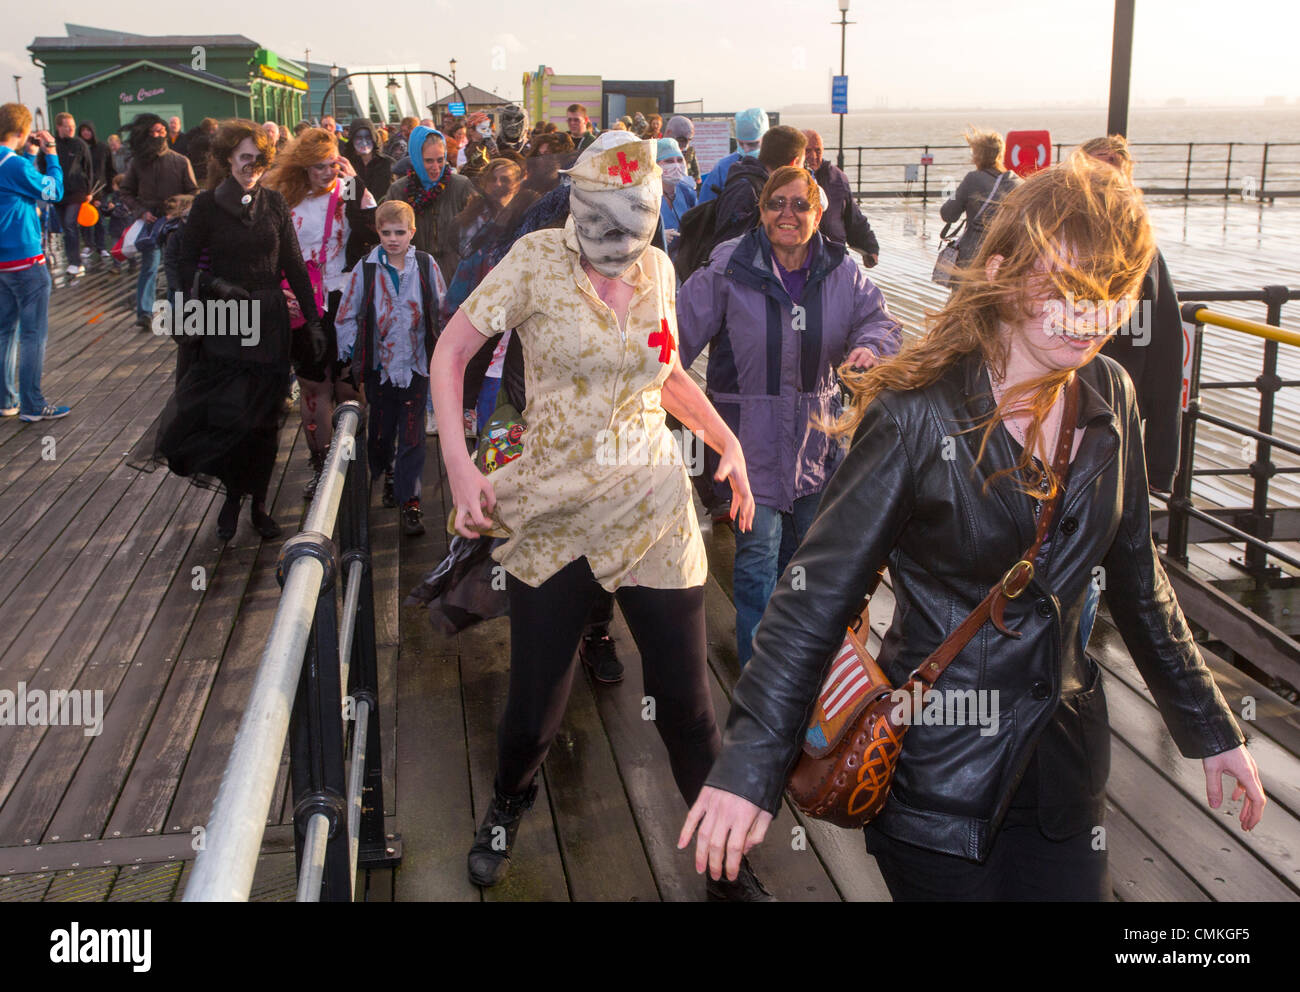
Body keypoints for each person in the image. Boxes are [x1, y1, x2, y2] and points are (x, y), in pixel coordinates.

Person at [679, 155, 1267, 900]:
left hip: (1064, 780)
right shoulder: (916, 416)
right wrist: (748, 769)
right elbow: (811, 602)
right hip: (941, 783)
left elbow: (1140, 586)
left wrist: (1213, 730)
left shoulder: (1110, 397)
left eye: (1111, 295)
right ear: (999, 270)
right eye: (1068, 288)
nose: (1090, 316)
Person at [430, 131, 772, 899]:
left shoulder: (658, 267)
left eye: (635, 225)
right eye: (606, 226)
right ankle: (507, 802)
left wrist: (728, 442)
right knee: (535, 707)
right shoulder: (533, 262)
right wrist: (457, 463)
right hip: (554, 512)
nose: (620, 244)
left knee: (688, 704)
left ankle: (724, 866)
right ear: (580, 208)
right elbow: (451, 353)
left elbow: (667, 372)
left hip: (653, 505)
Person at [678, 164, 902, 667]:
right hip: (746, 446)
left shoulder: (842, 270)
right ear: (761, 212)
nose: (788, 214)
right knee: (757, 561)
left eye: (801, 204)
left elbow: (881, 324)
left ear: (820, 213)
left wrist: (869, 348)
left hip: (817, 445)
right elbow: (672, 343)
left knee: (808, 560)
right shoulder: (728, 268)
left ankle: (802, 666)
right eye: (777, 203)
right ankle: (760, 681)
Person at [151, 118, 326, 542]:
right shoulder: (208, 206)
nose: (252, 166)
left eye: (259, 160)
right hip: (226, 321)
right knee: (231, 412)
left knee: (266, 417)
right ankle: (233, 496)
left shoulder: (276, 204)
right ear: (229, 157)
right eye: (244, 157)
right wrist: (218, 286)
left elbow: (294, 266)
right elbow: (186, 263)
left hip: (269, 321)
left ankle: (259, 504)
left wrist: (314, 321)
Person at [261, 127, 377, 500]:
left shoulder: (351, 192)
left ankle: (352, 465)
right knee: (313, 387)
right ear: (302, 168)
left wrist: (356, 186)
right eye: (318, 167)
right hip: (301, 301)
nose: (327, 173)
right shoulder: (284, 198)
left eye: (331, 164)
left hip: (344, 297)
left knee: (349, 386)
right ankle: (322, 467)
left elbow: (374, 232)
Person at [336, 199, 446, 535]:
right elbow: (347, 313)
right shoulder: (366, 268)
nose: (393, 239)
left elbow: (442, 309)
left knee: (412, 435)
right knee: (381, 434)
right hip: (380, 367)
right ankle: (385, 472)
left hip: (415, 366)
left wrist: (446, 352)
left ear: (412, 232)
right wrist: (352, 351)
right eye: (386, 232)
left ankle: (409, 501)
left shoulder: (426, 265)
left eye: (400, 232)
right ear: (377, 232)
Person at [1082, 135, 1185, 493]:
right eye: (1094, 169)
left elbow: (1166, 352)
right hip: (1052, 403)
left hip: (1115, 405)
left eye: (1111, 170)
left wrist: (1160, 463)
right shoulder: (1049, 242)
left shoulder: (1144, 252)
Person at [0, 103, 69, 422]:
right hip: (25, 259)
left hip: (2, 262)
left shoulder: (10, 164)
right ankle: (32, 403)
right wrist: (51, 154)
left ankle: (6, 399)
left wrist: (28, 156)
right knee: (32, 334)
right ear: (19, 131)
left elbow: (15, 190)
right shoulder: (12, 165)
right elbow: (52, 192)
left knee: (4, 331)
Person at [119, 113, 198, 328]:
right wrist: (141, 211)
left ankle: (176, 311)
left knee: (174, 267)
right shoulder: (137, 163)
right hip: (150, 220)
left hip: (174, 221)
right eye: (154, 131)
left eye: (162, 130)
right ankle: (144, 312)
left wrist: (177, 207)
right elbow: (125, 191)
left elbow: (194, 192)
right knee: (150, 266)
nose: (159, 134)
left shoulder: (180, 161)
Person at [382, 125, 474, 284]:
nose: (436, 167)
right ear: (416, 158)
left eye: (440, 160)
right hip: (414, 279)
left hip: (455, 277)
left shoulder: (461, 186)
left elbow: (479, 230)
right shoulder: (399, 190)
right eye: (428, 161)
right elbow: (386, 232)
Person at [712, 125, 806, 248]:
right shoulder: (747, 190)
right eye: (803, 165)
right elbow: (728, 247)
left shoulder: (751, 185)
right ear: (794, 163)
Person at [940, 127, 1020, 269]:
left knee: (964, 290)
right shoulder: (1017, 182)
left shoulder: (973, 179)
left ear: (978, 155)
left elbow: (948, 214)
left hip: (972, 256)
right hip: (1004, 258)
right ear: (1001, 154)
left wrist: (952, 192)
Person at [803, 129, 879, 267]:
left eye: (818, 151)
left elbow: (853, 217)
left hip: (837, 257)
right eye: (808, 151)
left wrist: (870, 247)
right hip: (806, 259)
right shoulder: (793, 179)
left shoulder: (837, 177)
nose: (813, 156)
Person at [50, 113, 93, 276]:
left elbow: (88, 168)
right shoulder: (51, 144)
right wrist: (47, 194)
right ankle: (71, 260)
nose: (71, 129)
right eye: (67, 126)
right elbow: (43, 165)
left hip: (77, 192)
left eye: (73, 126)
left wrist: (88, 191)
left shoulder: (80, 144)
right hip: (58, 193)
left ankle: (76, 261)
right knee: (65, 228)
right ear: (59, 127)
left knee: (70, 224)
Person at [697, 108, 768, 205]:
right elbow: (704, 208)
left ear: (766, 138)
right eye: (741, 144)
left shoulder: (774, 165)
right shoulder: (723, 167)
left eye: (753, 144)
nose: (746, 150)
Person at [78, 120, 115, 259]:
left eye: (88, 130)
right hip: (82, 189)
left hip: (100, 188)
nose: (86, 133)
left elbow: (110, 168)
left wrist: (110, 189)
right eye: (83, 130)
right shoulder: (78, 147)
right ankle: (88, 245)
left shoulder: (103, 147)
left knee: (99, 219)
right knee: (84, 218)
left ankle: (101, 246)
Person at [655, 137, 696, 260]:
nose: (676, 165)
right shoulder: (646, 196)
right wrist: (657, 238)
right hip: (656, 263)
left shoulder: (686, 192)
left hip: (684, 264)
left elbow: (699, 224)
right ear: (655, 165)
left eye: (679, 160)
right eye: (669, 161)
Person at [343, 118, 395, 202]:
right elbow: (348, 197)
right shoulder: (347, 165)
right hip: (354, 212)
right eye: (359, 138)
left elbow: (392, 196)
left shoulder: (387, 164)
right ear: (352, 139)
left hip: (381, 212)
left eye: (368, 137)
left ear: (374, 138)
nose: (364, 142)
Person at [665, 116, 699, 188]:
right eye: (681, 139)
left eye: (689, 140)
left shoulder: (689, 151)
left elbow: (694, 165)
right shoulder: (654, 152)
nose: (686, 144)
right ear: (669, 133)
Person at [185, 118, 218, 185]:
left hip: (197, 170)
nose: (215, 132)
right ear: (209, 129)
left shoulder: (193, 136)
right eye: (214, 129)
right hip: (202, 171)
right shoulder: (202, 140)